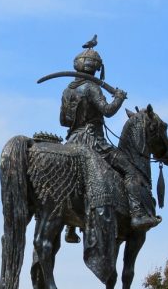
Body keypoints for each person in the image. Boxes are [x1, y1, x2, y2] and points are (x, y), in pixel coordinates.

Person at [60, 43, 161, 243]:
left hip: (72, 140)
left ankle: (70, 228)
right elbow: (107, 110)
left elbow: (63, 121)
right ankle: (137, 212)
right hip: (93, 141)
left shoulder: (67, 91)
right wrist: (119, 98)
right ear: (95, 68)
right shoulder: (91, 87)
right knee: (131, 171)